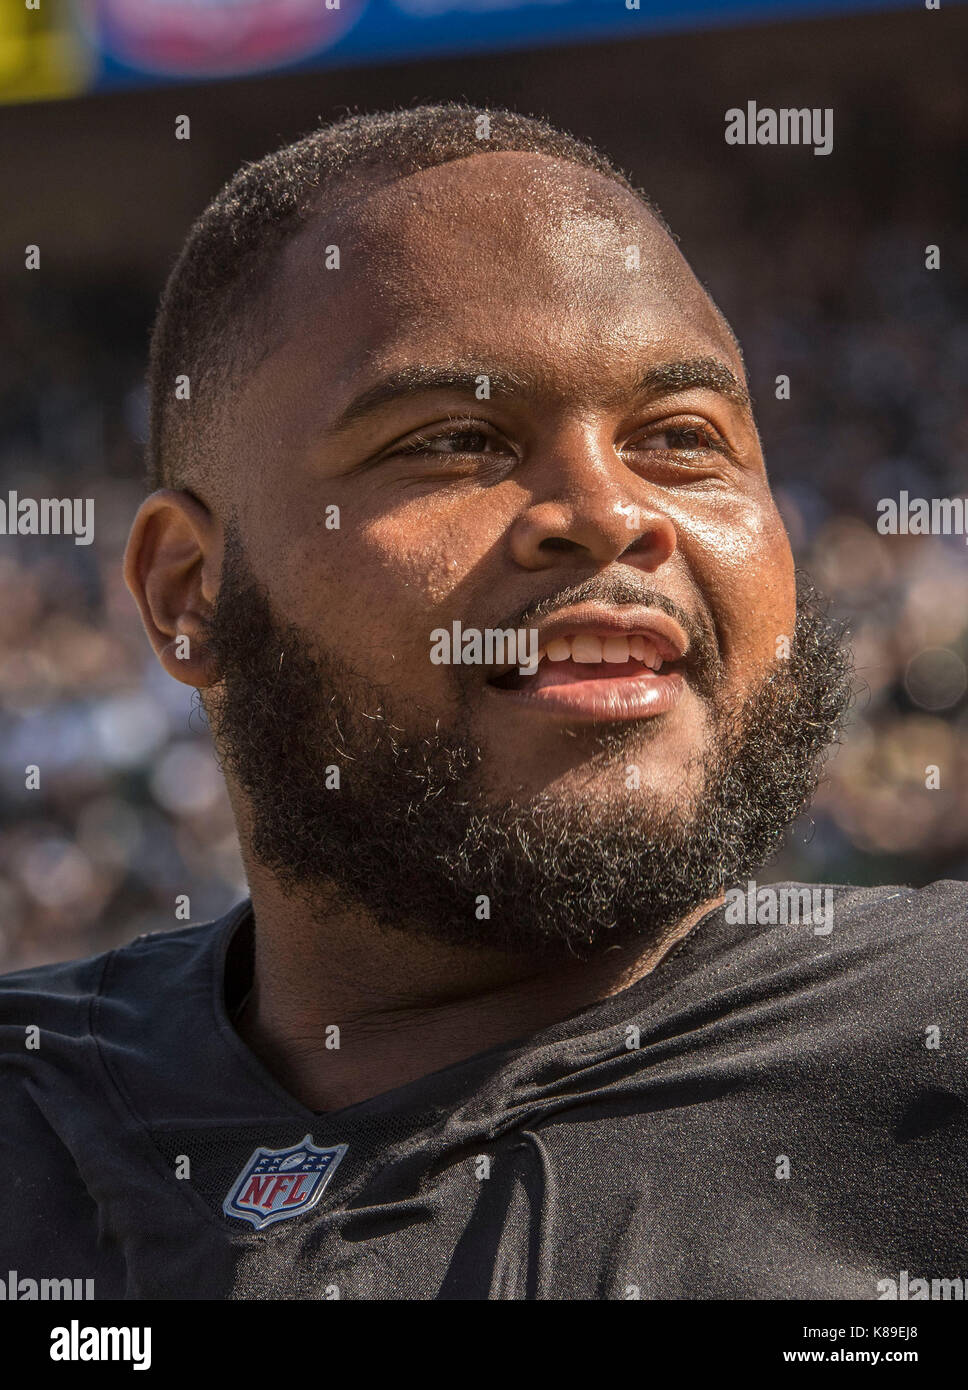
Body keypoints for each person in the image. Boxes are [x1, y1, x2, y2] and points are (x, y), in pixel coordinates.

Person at [1, 104, 964, 1301]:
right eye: (457, 439)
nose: (611, 511)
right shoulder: (34, 1105)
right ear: (189, 591)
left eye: (678, 436)